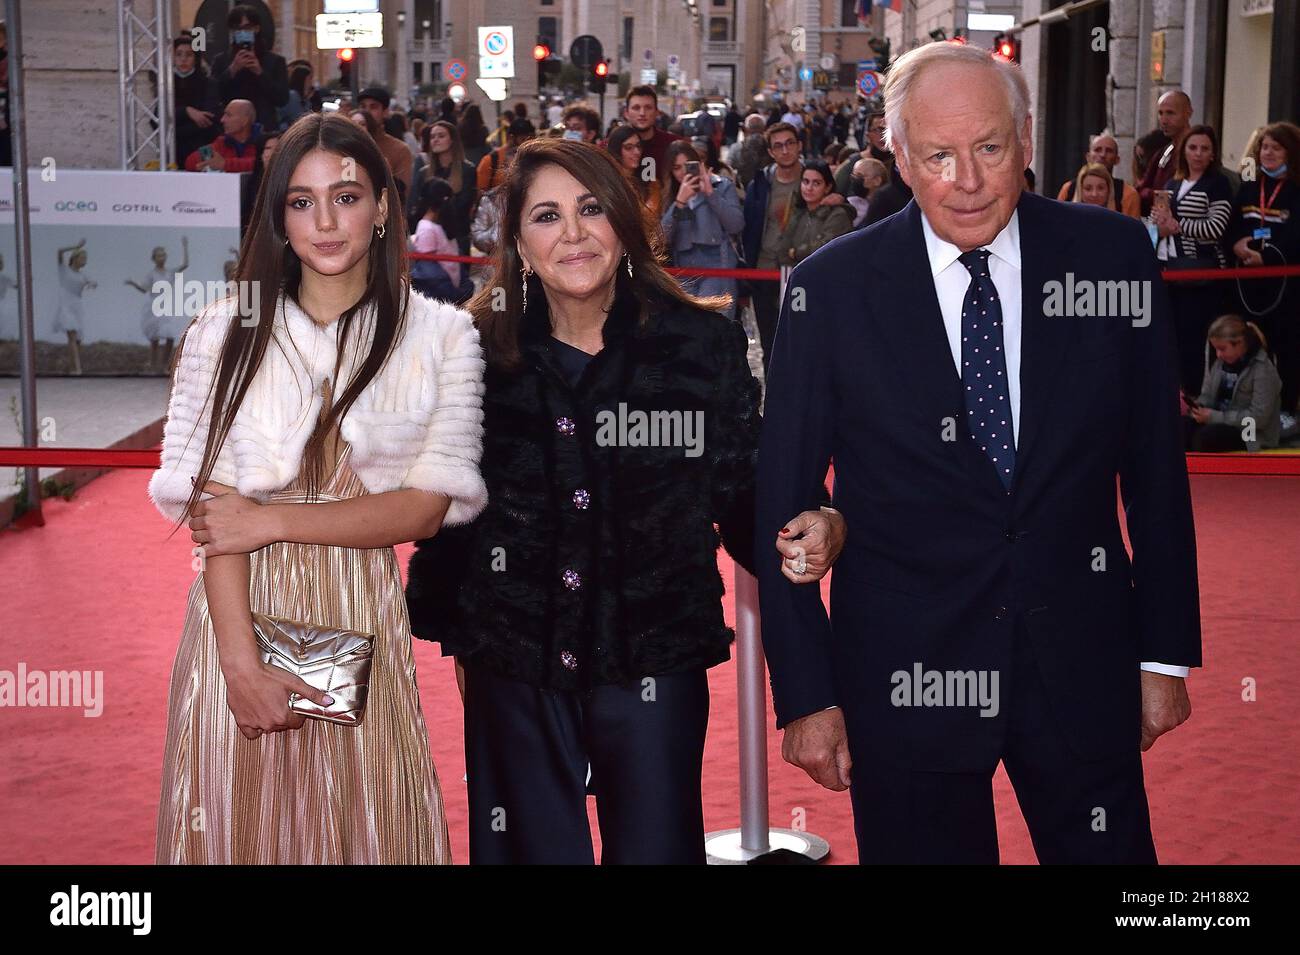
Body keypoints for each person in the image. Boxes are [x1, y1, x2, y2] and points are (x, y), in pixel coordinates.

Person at [756, 40, 1200, 865]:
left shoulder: (1113, 259)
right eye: (937, 155)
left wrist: (1164, 651)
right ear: (898, 154)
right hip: (902, 673)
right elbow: (780, 502)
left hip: (1082, 657)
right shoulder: (830, 289)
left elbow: (1154, 472)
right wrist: (806, 697)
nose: (967, 180)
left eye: (989, 148)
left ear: (1027, 140)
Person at [403, 137, 845, 864]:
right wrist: (462, 638)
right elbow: (452, 515)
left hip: (654, 661)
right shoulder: (471, 348)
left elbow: (746, 500)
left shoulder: (700, 346)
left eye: (590, 210)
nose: (572, 234)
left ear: (623, 223)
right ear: (517, 238)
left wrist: (818, 520)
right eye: (546, 215)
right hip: (515, 664)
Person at [148, 113, 486, 864]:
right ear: (278, 216)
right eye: (301, 202)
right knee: (243, 832)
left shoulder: (437, 336)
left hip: (360, 612)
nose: (325, 221)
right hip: (238, 614)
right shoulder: (223, 331)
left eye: (346, 196)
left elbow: (427, 508)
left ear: (384, 207)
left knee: (367, 827)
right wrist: (239, 666)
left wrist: (269, 520)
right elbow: (213, 516)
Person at [1228, 121, 1300, 426]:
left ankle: (1287, 410)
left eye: (1276, 148)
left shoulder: (1296, 190)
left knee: (1287, 347)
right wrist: (1237, 244)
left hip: (1285, 284)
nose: (1268, 153)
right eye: (1265, 147)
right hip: (1249, 283)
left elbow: (1296, 235)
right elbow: (1232, 226)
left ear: (1290, 153)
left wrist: (1266, 256)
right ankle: (1251, 411)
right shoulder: (1248, 186)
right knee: (1249, 345)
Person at [1151, 124, 1233, 396]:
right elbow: (1157, 225)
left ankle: (1195, 394)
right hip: (1169, 271)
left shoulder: (1218, 184)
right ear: (1184, 151)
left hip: (1203, 275)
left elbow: (1215, 229)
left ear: (1213, 154)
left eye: (1205, 148)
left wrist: (1176, 225)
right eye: (1193, 147)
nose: (1198, 153)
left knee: (1194, 340)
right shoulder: (1171, 184)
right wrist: (1159, 226)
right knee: (1169, 338)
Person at [741, 122, 803, 369]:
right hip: (764, 270)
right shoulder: (759, 185)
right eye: (778, 146)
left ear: (799, 146)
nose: (785, 150)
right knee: (770, 342)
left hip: (801, 270)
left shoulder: (814, 179)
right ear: (770, 152)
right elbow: (749, 227)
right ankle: (774, 400)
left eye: (789, 143)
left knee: (802, 340)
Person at [660, 140, 745, 320]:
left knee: (715, 328)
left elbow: (736, 225)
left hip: (717, 265)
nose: (683, 173)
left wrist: (710, 195)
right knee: (690, 331)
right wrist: (679, 203)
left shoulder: (722, 185)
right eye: (676, 168)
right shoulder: (672, 195)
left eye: (687, 165)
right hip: (684, 272)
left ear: (699, 164)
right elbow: (662, 238)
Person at [1184, 315, 1282, 451]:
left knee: (1205, 438)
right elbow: (1207, 396)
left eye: (1222, 349)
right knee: (1181, 428)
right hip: (1218, 422)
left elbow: (1259, 418)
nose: (1218, 354)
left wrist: (1213, 417)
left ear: (1240, 343)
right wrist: (1198, 408)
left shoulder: (1263, 369)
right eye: (1216, 349)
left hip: (1250, 434)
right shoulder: (1220, 363)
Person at [208, 4, 288, 134]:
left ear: (256, 29)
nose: (242, 33)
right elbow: (213, 94)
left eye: (247, 28)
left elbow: (282, 99)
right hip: (231, 130)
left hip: (264, 129)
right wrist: (232, 70)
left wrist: (260, 72)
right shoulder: (221, 61)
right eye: (237, 29)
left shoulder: (275, 61)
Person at [125, 238, 189, 373]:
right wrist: (133, 283)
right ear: (154, 258)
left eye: (163, 255)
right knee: (154, 338)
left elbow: (185, 264)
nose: (162, 257)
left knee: (170, 336)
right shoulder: (151, 274)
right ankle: (153, 364)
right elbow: (144, 289)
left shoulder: (170, 272)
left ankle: (165, 364)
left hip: (167, 306)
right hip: (154, 307)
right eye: (159, 255)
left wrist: (185, 245)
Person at [418, 120, 478, 255]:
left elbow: (464, 205)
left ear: (452, 140)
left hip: (457, 237)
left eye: (441, 136)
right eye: (432, 137)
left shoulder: (467, 170)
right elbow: (417, 205)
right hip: (429, 239)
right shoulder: (423, 172)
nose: (436, 140)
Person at [779, 158, 853, 266]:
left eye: (816, 183)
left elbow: (824, 251)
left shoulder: (838, 215)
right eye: (805, 182)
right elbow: (783, 252)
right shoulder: (799, 213)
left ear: (828, 187)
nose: (809, 188)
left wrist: (796, 253)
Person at [409, 178, 471, 304]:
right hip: (452, 288)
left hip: (440, 295)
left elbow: (428, 272)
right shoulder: (442, 225)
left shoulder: (426, 227)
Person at [1056, 132, 1141, 217]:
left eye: (1109, 151)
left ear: (1117, 159)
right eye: (1097, 150)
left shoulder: (1128, 194)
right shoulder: (1068, 189)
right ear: (1088, 157)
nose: (1102, 155)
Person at [1137, 90, 1193, 215]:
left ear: (1188, 113)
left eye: (1170, 113)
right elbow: (1142, 187)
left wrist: (1153, 194)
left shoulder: (1195, 151)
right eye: (1160, 113)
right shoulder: (1165, 150)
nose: (1164, 120)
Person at [173, 33, 219, 168]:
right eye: (178, 54)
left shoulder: (208, 84)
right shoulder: (166, 85)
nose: (183, 59)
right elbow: (158, 118)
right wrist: (187, 111)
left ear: (196, 58)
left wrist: (176, 125)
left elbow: (207, 120)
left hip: (203, 147)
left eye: (188, 55)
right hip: (172, 150)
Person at [357, 87, 413, 198]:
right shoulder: (345, 145)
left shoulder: (399, 149)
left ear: (385, 112)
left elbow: (402, 195)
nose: (366, 111)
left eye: (373, 107)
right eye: (363, 106)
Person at [53, 239, 96, 375]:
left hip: (78, 306)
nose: (84, 260)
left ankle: (72, 367)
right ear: (74, 258)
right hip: (66, 305)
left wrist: (92, 284)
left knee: (78, 339)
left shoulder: (83, 275)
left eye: (86, 258)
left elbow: (92, 282)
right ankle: (78, 369)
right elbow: (59, 251)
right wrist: (75, 246)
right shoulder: (64, 270)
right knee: (72, 336)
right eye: (82, 257)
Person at [622, 85, 681, 181]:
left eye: (648, 107)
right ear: (626, 113)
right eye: (636, 108)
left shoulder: (674, 145)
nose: (642, 113)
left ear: (657, 112)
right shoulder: (610, 146)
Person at [185, 99, 260, 173]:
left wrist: (225, 164)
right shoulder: (223, 142)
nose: (222, 120)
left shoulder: (266, 141)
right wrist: (209, 161)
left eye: (228, 115)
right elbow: (190, 162)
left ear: (245, 121)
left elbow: (263, 163)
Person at [606, 124, 661, 217]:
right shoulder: (606, 180)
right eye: (629, 147)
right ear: (616, 150)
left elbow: (652, 216)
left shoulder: (650, 180)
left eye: (638, 146)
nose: (637, 152)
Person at [477, 117, 535, 192]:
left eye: (530, 139)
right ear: (511, 138)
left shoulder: (534, 160)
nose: (528, 144)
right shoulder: (490, 160)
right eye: (523, 139)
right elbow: (481, 194)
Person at [846, 157, 888, 228]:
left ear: (877, 180)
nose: (854, 179)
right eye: (854, 175)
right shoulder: (850, 202)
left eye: (860, 176)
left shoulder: (885, 208)